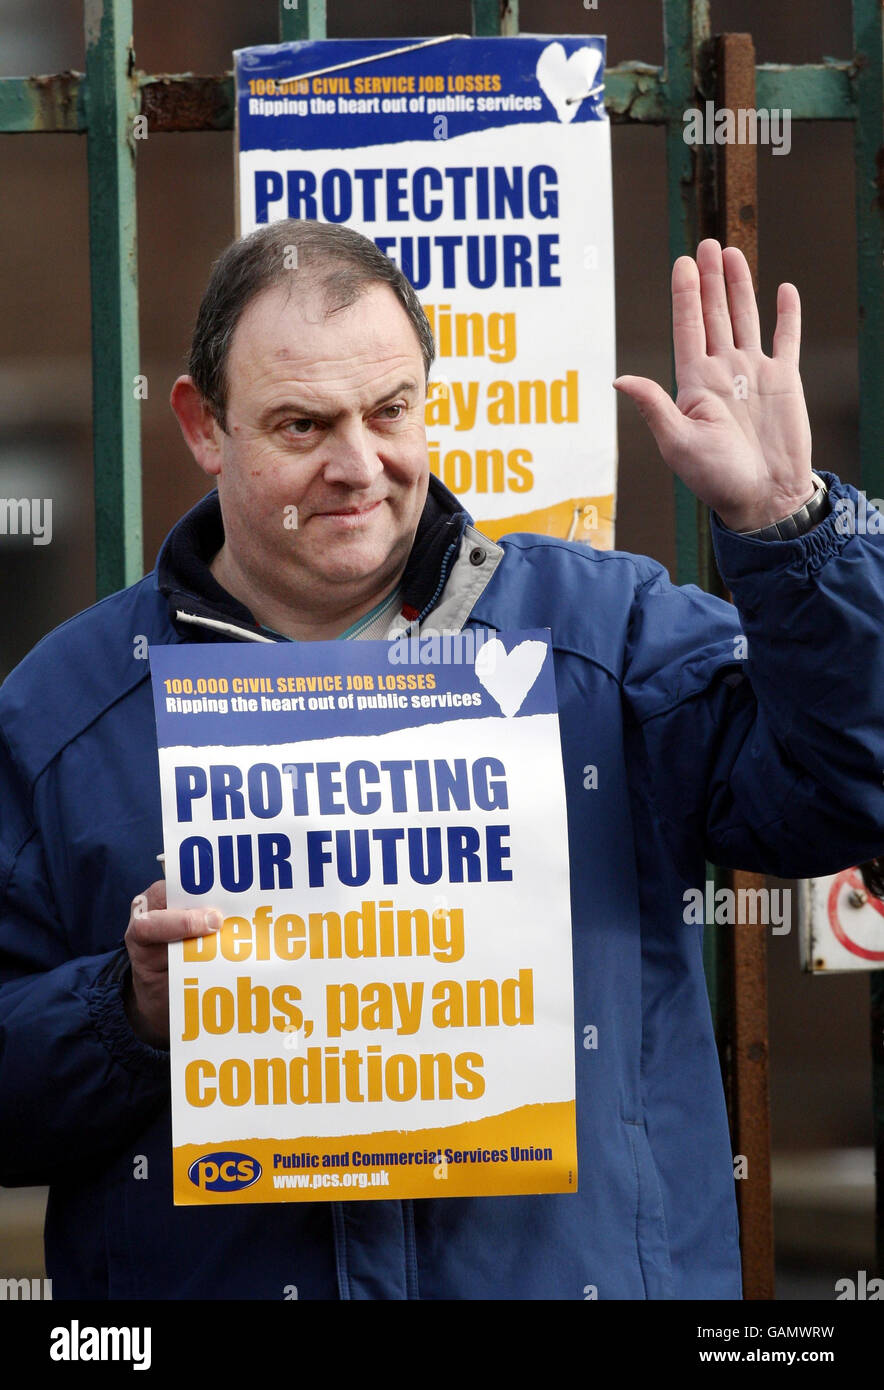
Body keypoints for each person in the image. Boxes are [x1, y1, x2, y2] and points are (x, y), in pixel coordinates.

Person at [0, 219, 881, 1300]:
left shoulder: (600, 638)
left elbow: (846, 788)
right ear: (201, 425)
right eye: (300, 424)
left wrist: (786, 527)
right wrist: (126, 1013)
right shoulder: (66, 711)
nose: (357, 465)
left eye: (389, 410)